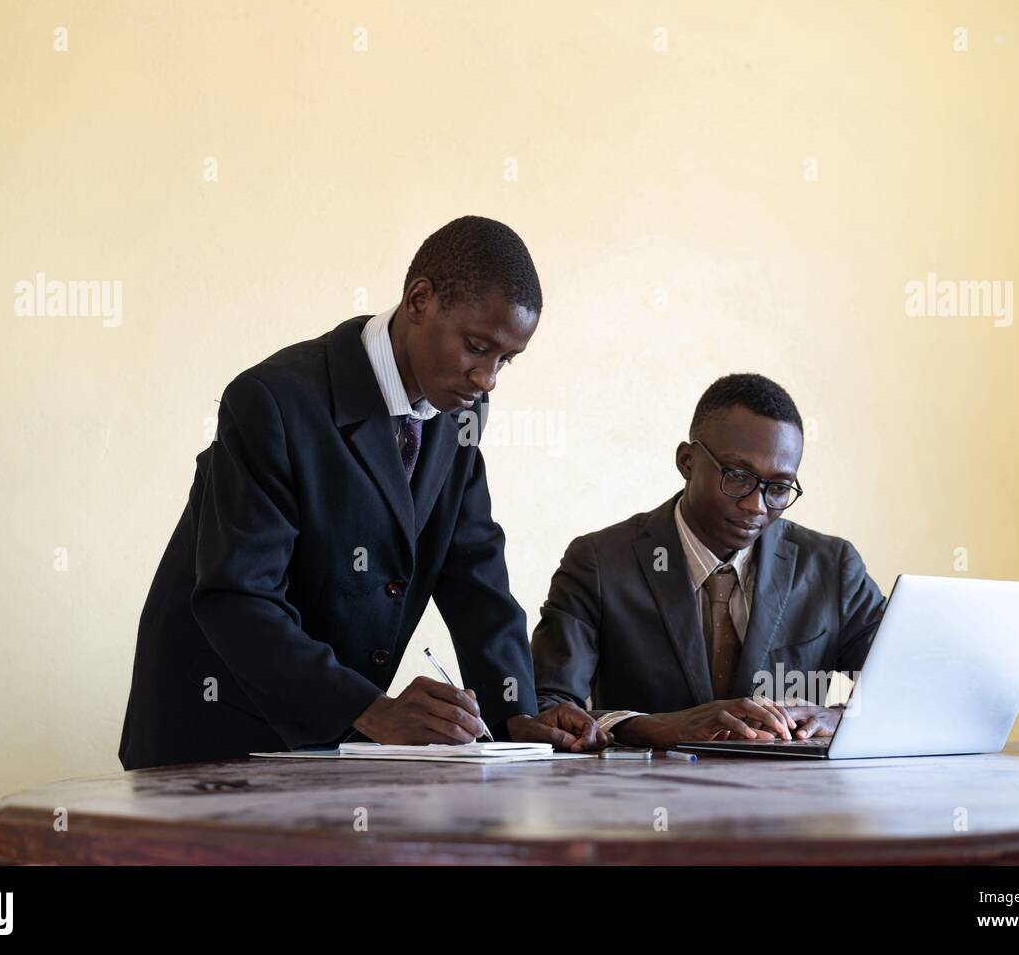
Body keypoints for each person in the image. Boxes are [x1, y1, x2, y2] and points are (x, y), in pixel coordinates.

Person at [120, 216, 606, 770]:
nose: (487, 379)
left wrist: (517, 712)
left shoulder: (460, 411)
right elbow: (239, 596)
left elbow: (475, 573)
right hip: (213, 726)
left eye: (506, 361)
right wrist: (370, 709)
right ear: (419, 300)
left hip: (331, 736)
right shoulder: (272, 401)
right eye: (477, 347)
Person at [531, 374, 885, 749]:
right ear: (687, 461)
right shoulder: (600, 562)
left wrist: (840, 717)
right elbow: (547, 705)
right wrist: (650, 727)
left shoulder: (833, 567)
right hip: (647, 783)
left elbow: (907, 687)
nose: (756, 506)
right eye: (738, 477)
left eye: (779, 488)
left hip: (790, 785)